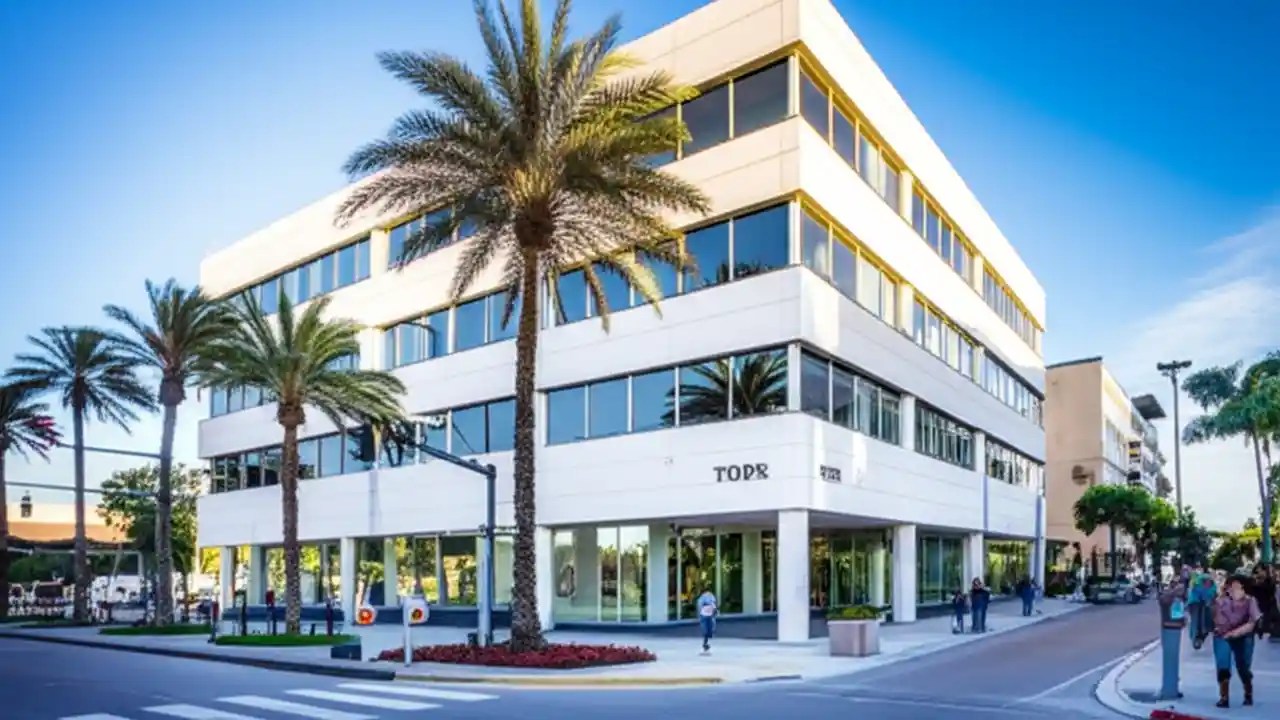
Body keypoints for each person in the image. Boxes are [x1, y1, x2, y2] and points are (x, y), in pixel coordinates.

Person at [1212, 573, 1262, 708]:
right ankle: (1224, 697)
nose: (1232, 589)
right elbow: (1219, 621)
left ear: (1244, 588)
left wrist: (1235, 633)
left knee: (1243, 666)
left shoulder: (1250, 601)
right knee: (1223, 664)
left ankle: (1248, 693)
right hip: (1223, 635)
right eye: (1230, 586)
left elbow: (1252, 623)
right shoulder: (1220, 601)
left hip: (1243, 636)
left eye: (1236, 587)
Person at [1187, 568, 1217, 650]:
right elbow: (1197, 592)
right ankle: (1196, 638)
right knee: (1196, 620)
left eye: (1208, 583)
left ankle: (1200, 636)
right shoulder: (1198, 584)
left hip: (1203, 604)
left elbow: (1213, 595)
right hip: (1195, 603)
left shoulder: (1212, 586)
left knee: (1206, 620)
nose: (1207, 584)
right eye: (1206, 582)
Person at [696, 588, 717, 654]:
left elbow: (700, 607)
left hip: (706, 615)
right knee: (707, 630)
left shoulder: (704, 598)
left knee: (707, 630)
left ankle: (705, 645)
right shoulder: (710, 598)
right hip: (706, 616)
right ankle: (705, 645)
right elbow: (714, 607)